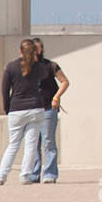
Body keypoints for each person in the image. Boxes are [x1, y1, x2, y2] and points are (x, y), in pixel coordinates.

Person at [0, 39, 51, 186]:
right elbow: (45, 74)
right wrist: (36, 58)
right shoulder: (38, 67)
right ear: (34, 52)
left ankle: (1, 176)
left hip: (16, 109)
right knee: (31, 145)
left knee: (13, 144)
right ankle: (25, 176)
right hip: (35, 108)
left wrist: (7, 108)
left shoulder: (11, 67)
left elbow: (4, 89)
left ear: (20, 50)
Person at [27, 38, 69, 184]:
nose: (39, 51)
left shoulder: (51, 66)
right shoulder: (26, 68)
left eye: (41, 48)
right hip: (31, 109)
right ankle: (34, 174)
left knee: (48, 142)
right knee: (33, 143)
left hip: (48, 109)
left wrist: (56, 97)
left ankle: (50, 173)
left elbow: (64, 81)